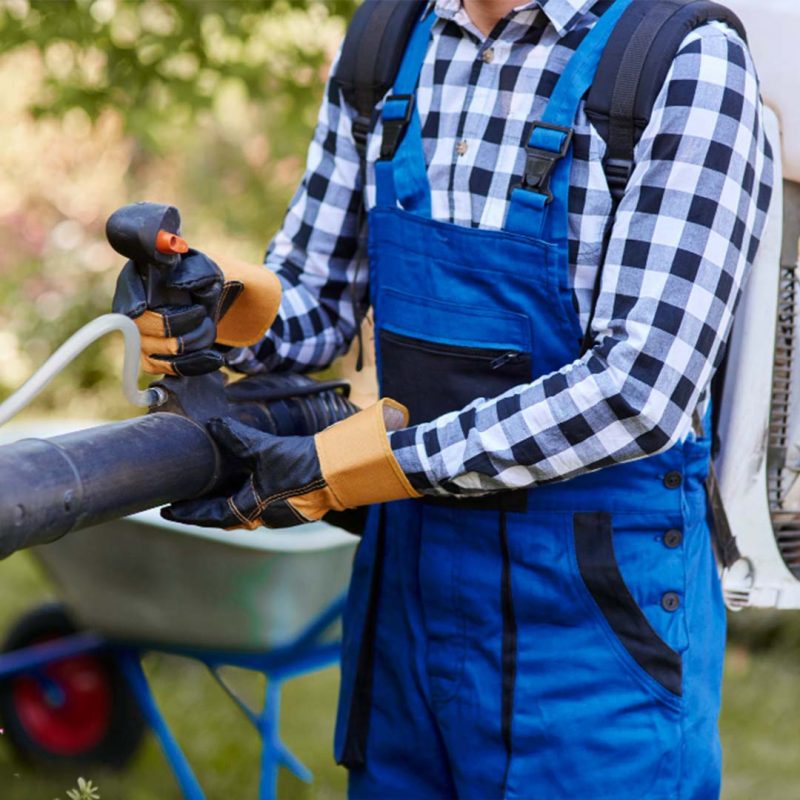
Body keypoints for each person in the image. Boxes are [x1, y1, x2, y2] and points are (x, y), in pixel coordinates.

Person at [114, 0, 774, 797]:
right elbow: (318, 301)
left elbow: (641, 390)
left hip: (594, 620)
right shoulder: (386, 43)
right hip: (409, 605)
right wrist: (218, 311)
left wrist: (356, 464)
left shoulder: (680, 60)